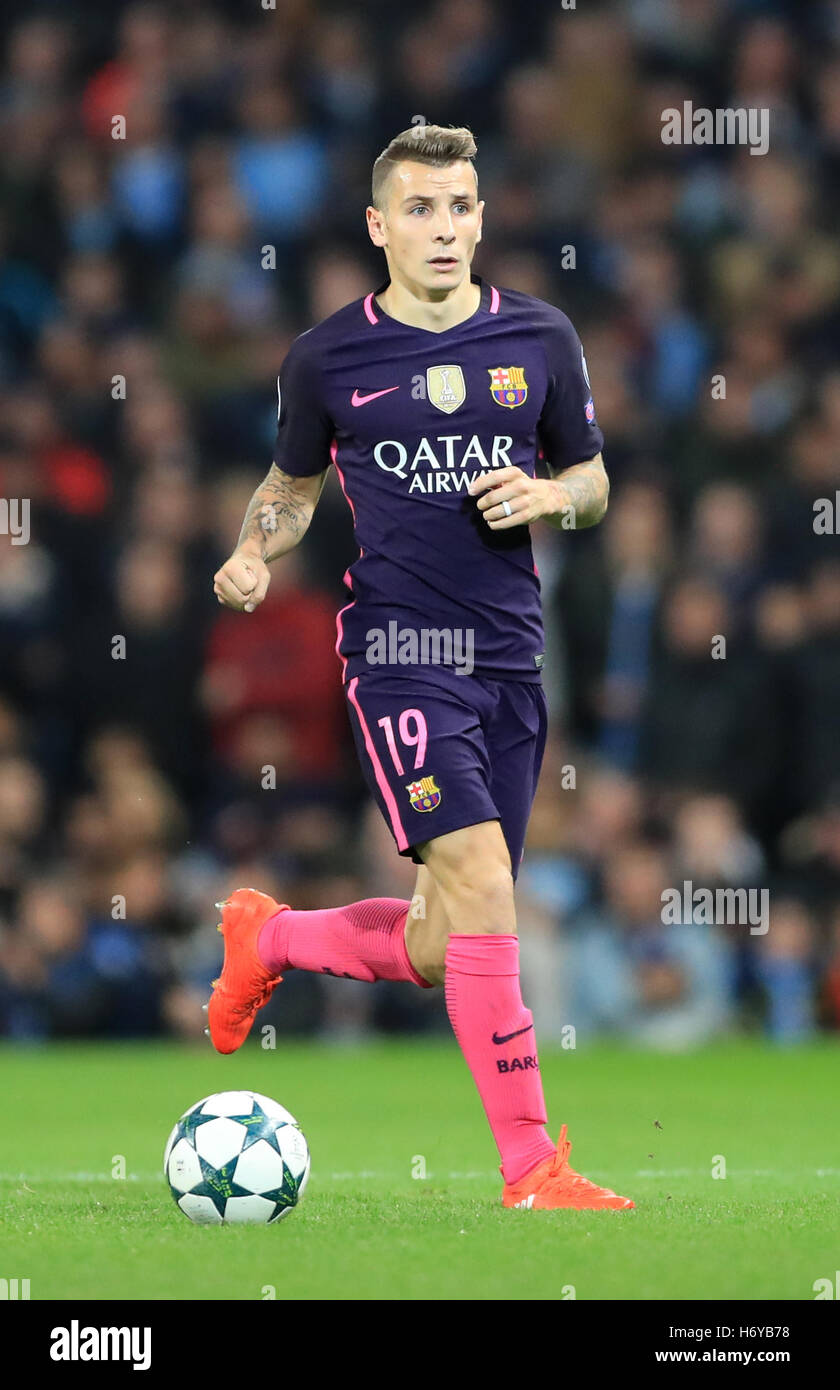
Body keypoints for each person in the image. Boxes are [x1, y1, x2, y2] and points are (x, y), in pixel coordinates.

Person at [208, 124, 632, 1211]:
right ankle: (533, 1166)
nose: (444, 228)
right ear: (379, 226)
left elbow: (590, 480)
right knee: (488, 886)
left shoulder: (540, 336)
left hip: (510, 662)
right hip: (401, 653)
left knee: (451, 941)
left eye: (461, 208)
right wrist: (257, 547)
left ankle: (274, 936)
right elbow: (291, 486)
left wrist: (549, 496)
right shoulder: (326, 357)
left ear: (482, 217)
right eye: (421, 209)